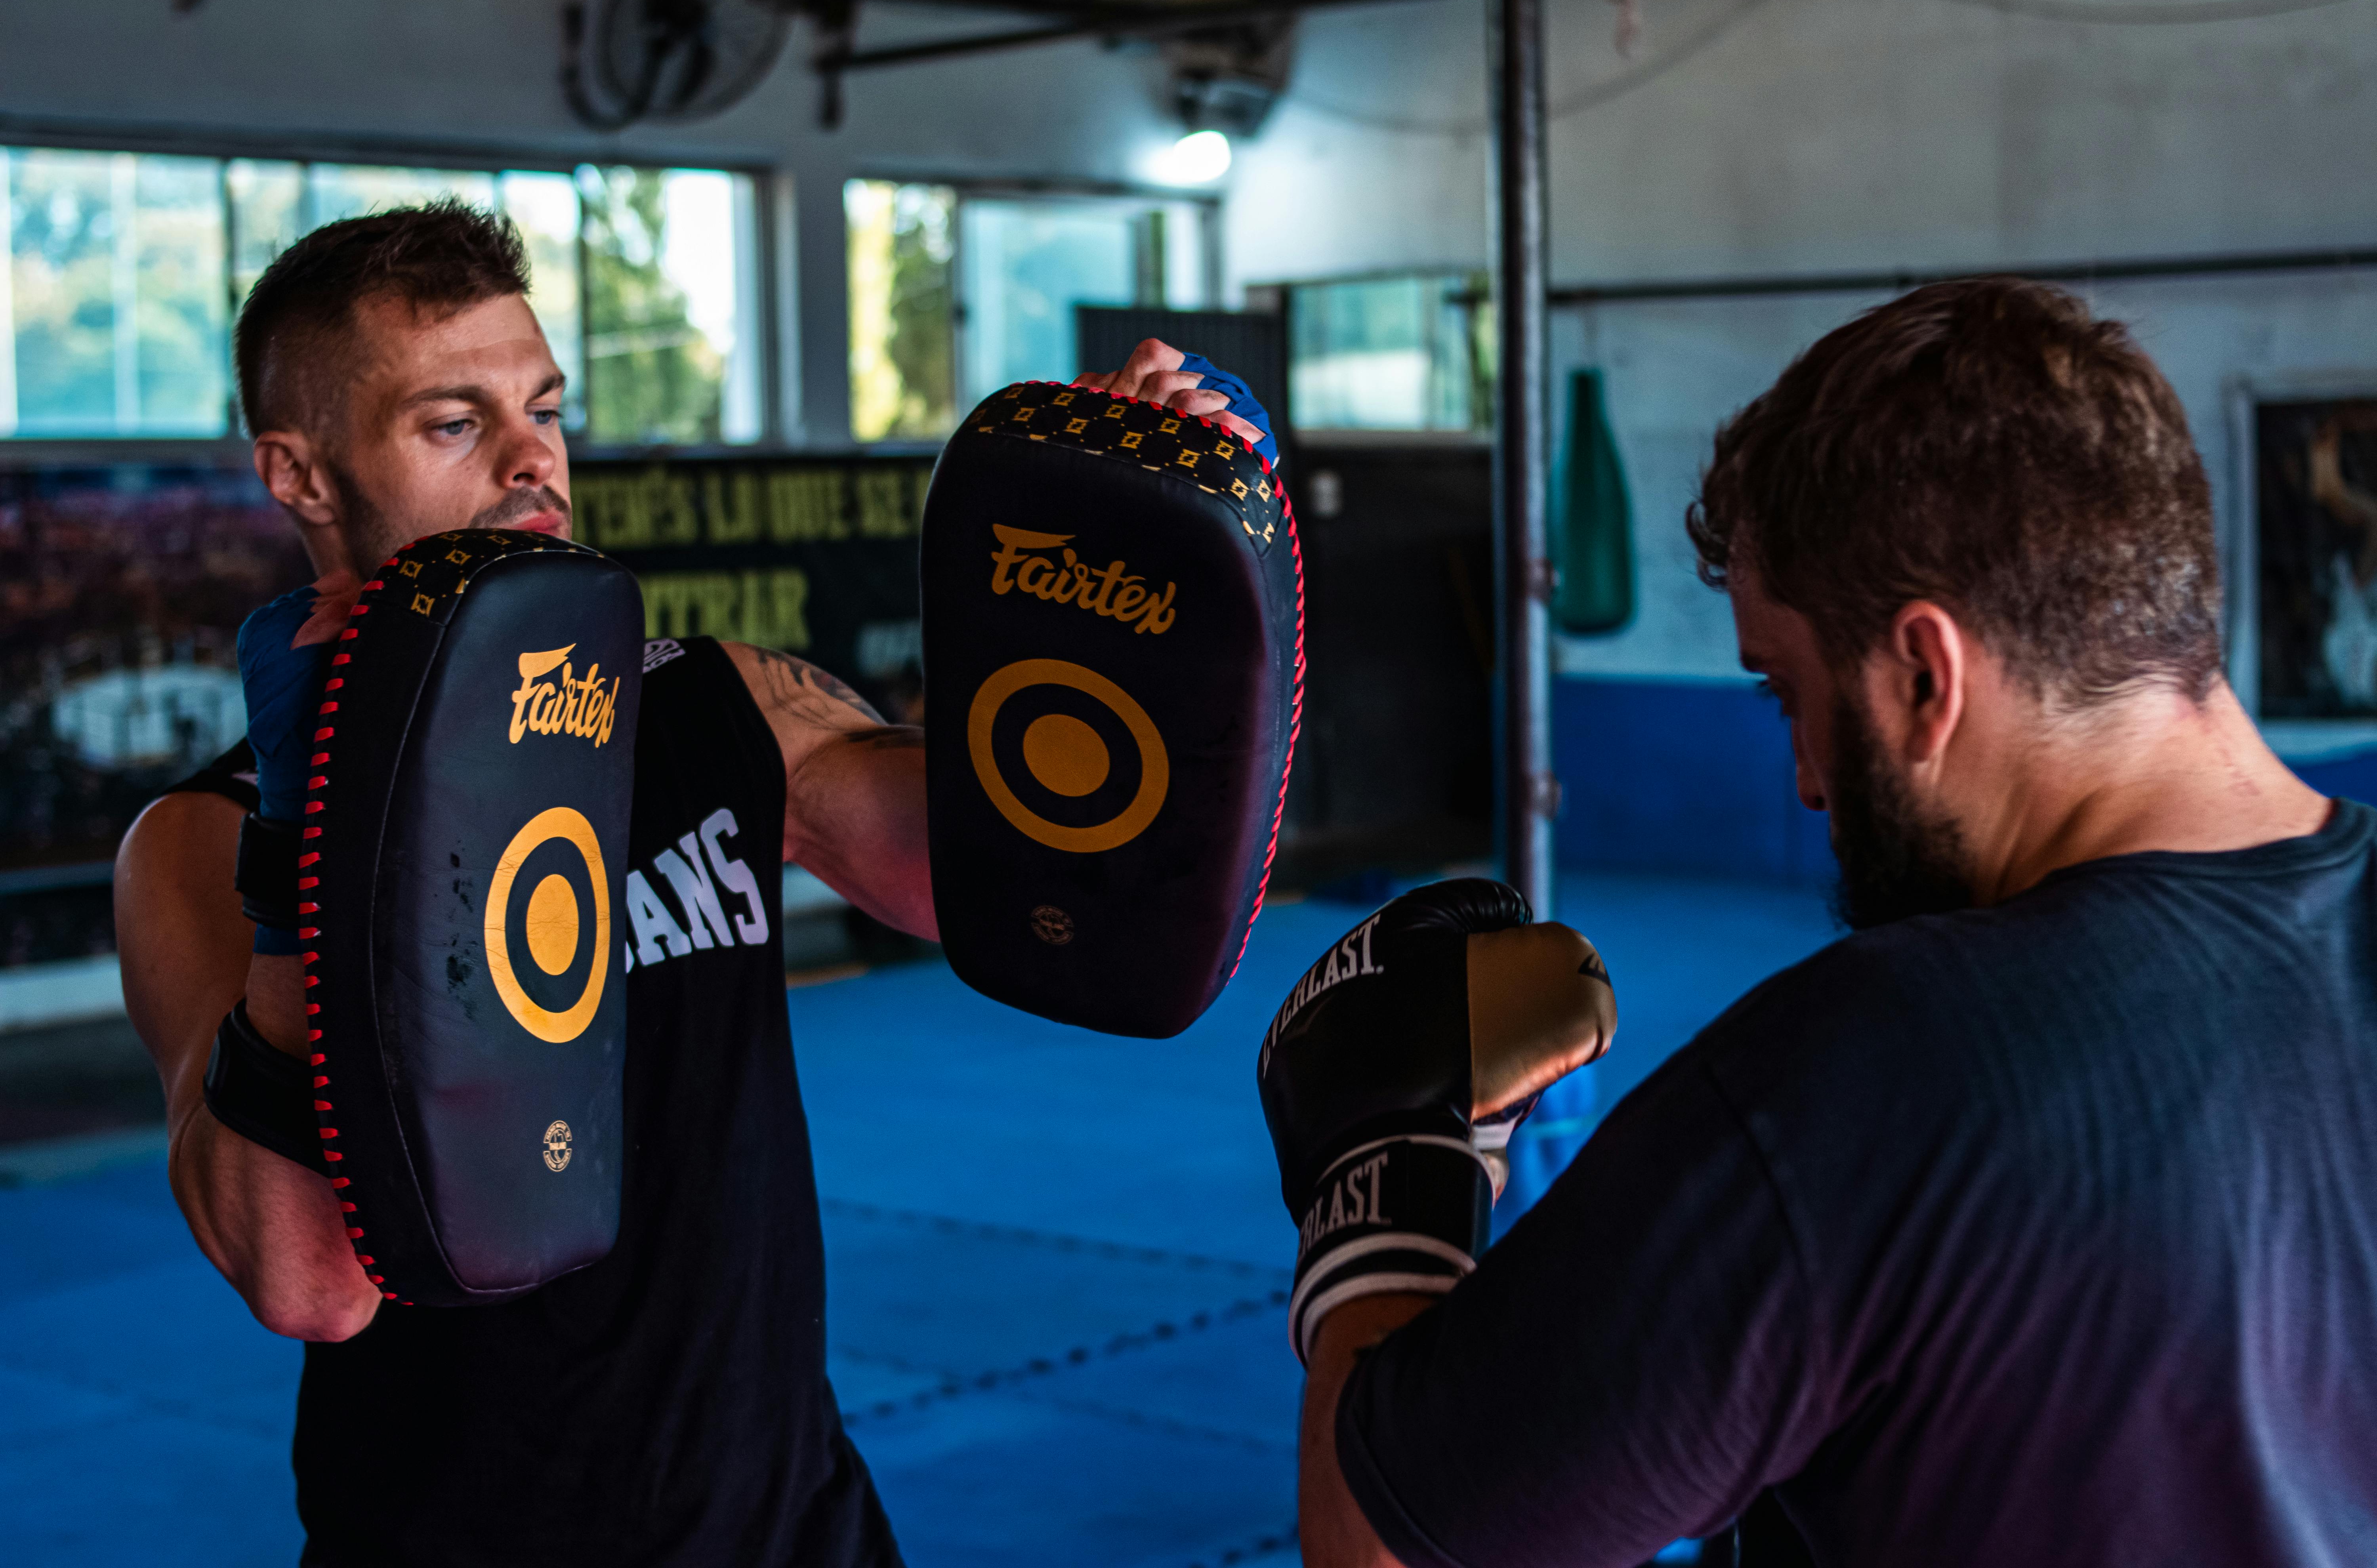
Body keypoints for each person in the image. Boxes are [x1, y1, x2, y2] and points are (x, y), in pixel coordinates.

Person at [112, 200, 1267, 1564]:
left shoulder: (725, 710)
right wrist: (313, 833)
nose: (533, 457)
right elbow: (307, 1282)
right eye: (453, 423)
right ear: (299, 476)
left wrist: (1121, 566)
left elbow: (1026, 901)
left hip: (789, 1531)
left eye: (544, 407)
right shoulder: (203, 840)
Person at [1276, 278, 2377, 1567]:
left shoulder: (1873, 1074)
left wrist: (1384, 1189)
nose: (1804, 776)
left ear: (1924, 674)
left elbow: (1390, 1545)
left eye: (1786, 690)